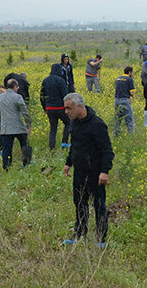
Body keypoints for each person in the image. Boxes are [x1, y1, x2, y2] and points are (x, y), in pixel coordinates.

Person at [62, 93, 114, 247]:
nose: (66, 112)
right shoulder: (74, 123)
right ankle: (79, 234)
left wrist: (104, 171)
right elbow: (74, 145)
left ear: (79, 106)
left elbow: (107, 149)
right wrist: (68, 163)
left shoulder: (97, 124)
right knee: (79, 203)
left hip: (95, 173)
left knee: (98, 205)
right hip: (79, 171)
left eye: (68, 108)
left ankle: (101, 239)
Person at [0, 76, 32, 170]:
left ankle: (6, 167)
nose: (17, 88)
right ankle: (26, 163)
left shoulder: (0, 98)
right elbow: (24, 111)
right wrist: (28, 124)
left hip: (6, 129)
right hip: (19, 127)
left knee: (7, 149)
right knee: (25, 145)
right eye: (17, 87)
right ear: (15, 87)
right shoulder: (17, 97)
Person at [41, 65, 71, 150]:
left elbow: (42, 96)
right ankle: (64, 143)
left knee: (53, 128)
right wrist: (67, 107)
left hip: (49, 108)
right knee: (68, 123)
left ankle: (52, 147)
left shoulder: (45, 80)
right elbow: (65, 95)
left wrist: (44, 107)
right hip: (60, 108)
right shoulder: (61, 80)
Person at [113, 66, 136, 136]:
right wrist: (133, 96)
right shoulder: (129, 79)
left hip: (117, 100)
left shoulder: (118, 78)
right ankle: (130, 136)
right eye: (132, 72)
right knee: (129, 120)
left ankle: (116, 135)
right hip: (125, 100)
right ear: (130, 72)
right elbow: (132, 92)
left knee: (117, 119)